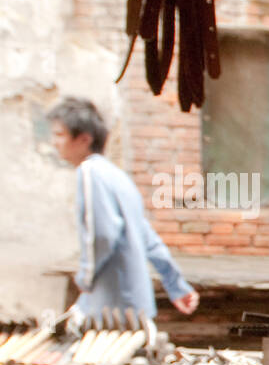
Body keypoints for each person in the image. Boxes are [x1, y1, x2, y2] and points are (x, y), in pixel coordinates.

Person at [46, 97, 199, 328]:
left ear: (84, 139)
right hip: (136, 305)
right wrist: (176, 286)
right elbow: (149, 239)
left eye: (59, 135)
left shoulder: (89, 173)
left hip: (109, 307)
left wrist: (85, 278)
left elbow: (102, 235)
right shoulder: (118, 177)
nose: (54, 142)